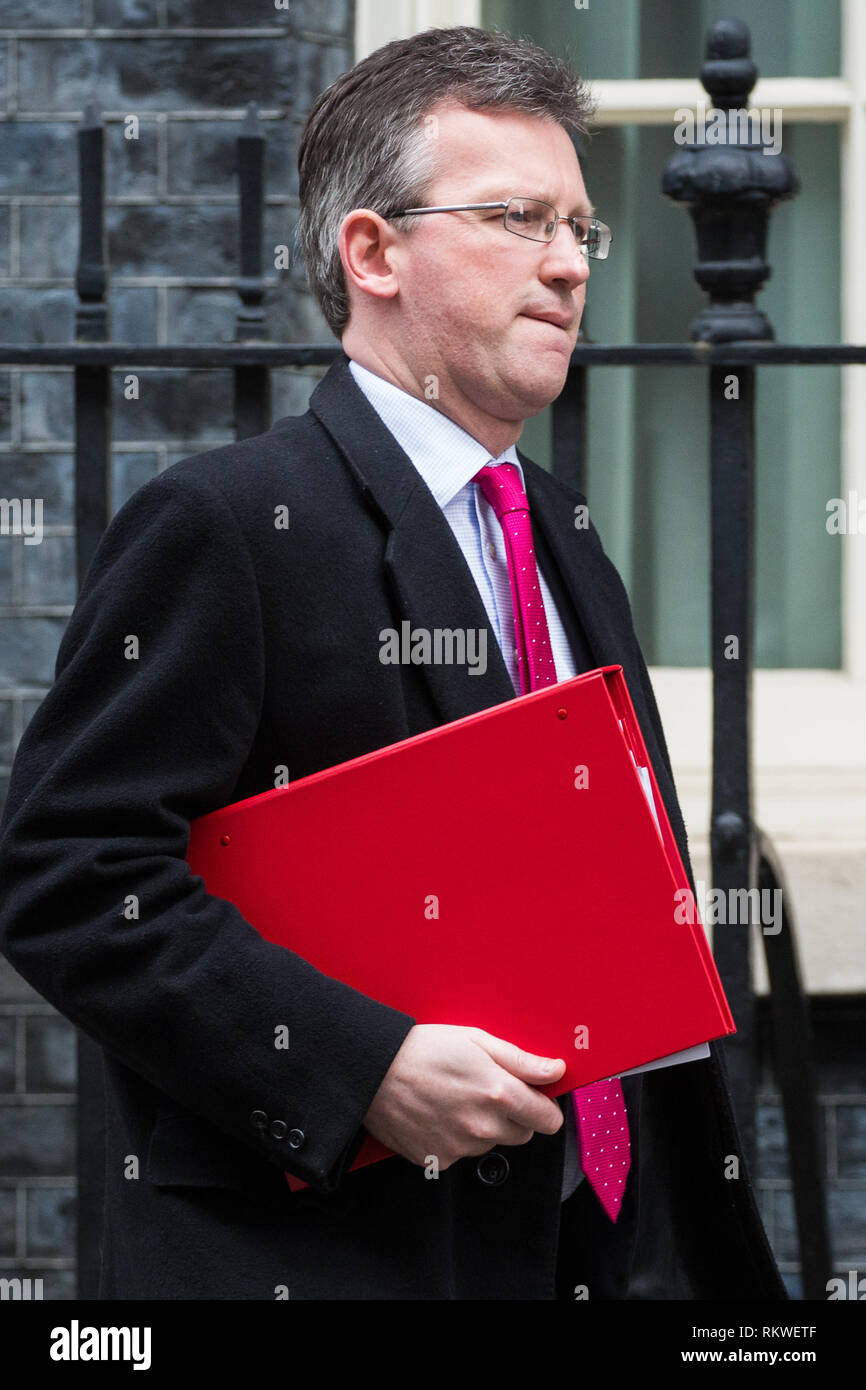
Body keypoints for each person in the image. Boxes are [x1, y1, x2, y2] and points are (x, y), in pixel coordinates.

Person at [0, 25, 787, 1301]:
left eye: (578, 228)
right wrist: (356, 1063)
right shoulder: (225, 523)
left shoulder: (565, 535)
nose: (566, 266)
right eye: (517, 218)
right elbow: (68, 877)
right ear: (372, 251)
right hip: (337, 1259)